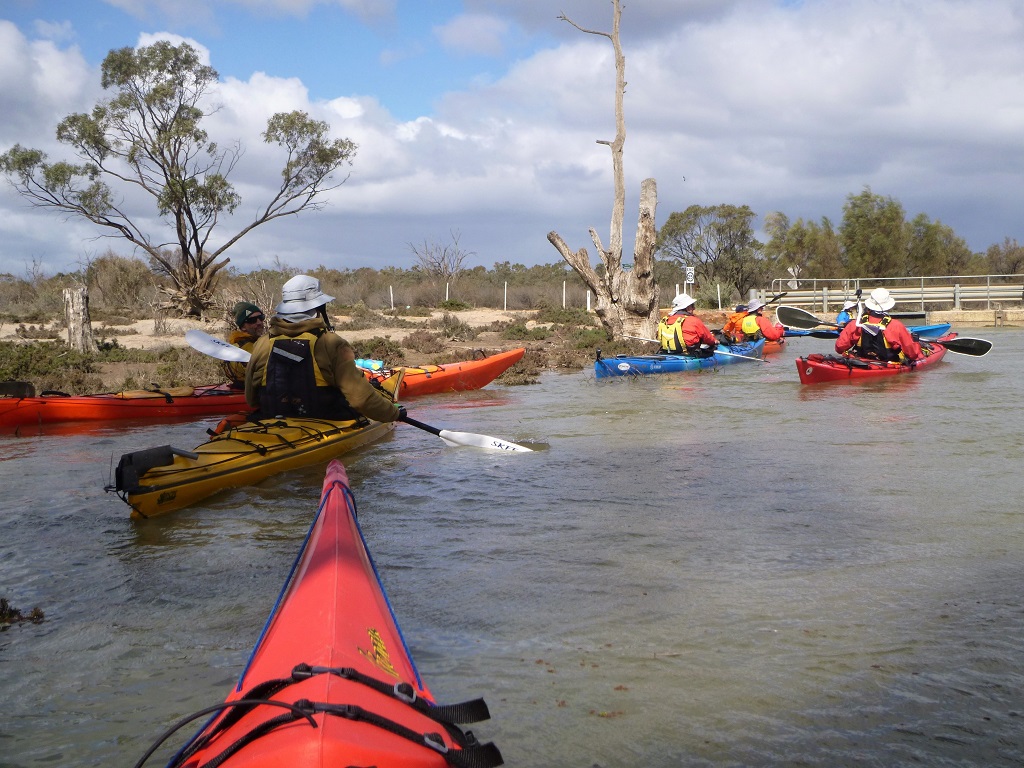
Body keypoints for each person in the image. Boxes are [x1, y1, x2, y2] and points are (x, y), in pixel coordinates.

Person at [244, 275, 405, 424]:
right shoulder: (331, 343)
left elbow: (251, 400)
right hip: (326, 423)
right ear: (319, 306)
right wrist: (394, 414)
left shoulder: (262, 343)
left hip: (272, 423)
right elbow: (361, 399)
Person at [835, 287, 925, 362]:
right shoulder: (896, 326)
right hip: (887, 366)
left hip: (860, 363)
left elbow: (839, 348)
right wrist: (916, 342)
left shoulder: (855, 324)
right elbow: (912, 354)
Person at [222, 301, 265, 388]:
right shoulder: (245, 347)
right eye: (252, 320)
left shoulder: (257, 343)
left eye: (261, 317)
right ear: (243, 327)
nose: (259, 322)